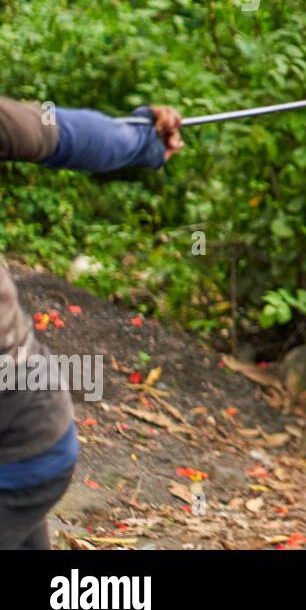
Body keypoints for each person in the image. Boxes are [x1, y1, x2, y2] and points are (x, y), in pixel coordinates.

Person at [0, 96, 183, 549]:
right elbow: (62, 132)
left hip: (22, 448)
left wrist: (144, 138)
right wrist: (143, 139)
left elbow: (58, 131)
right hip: (39, 430)